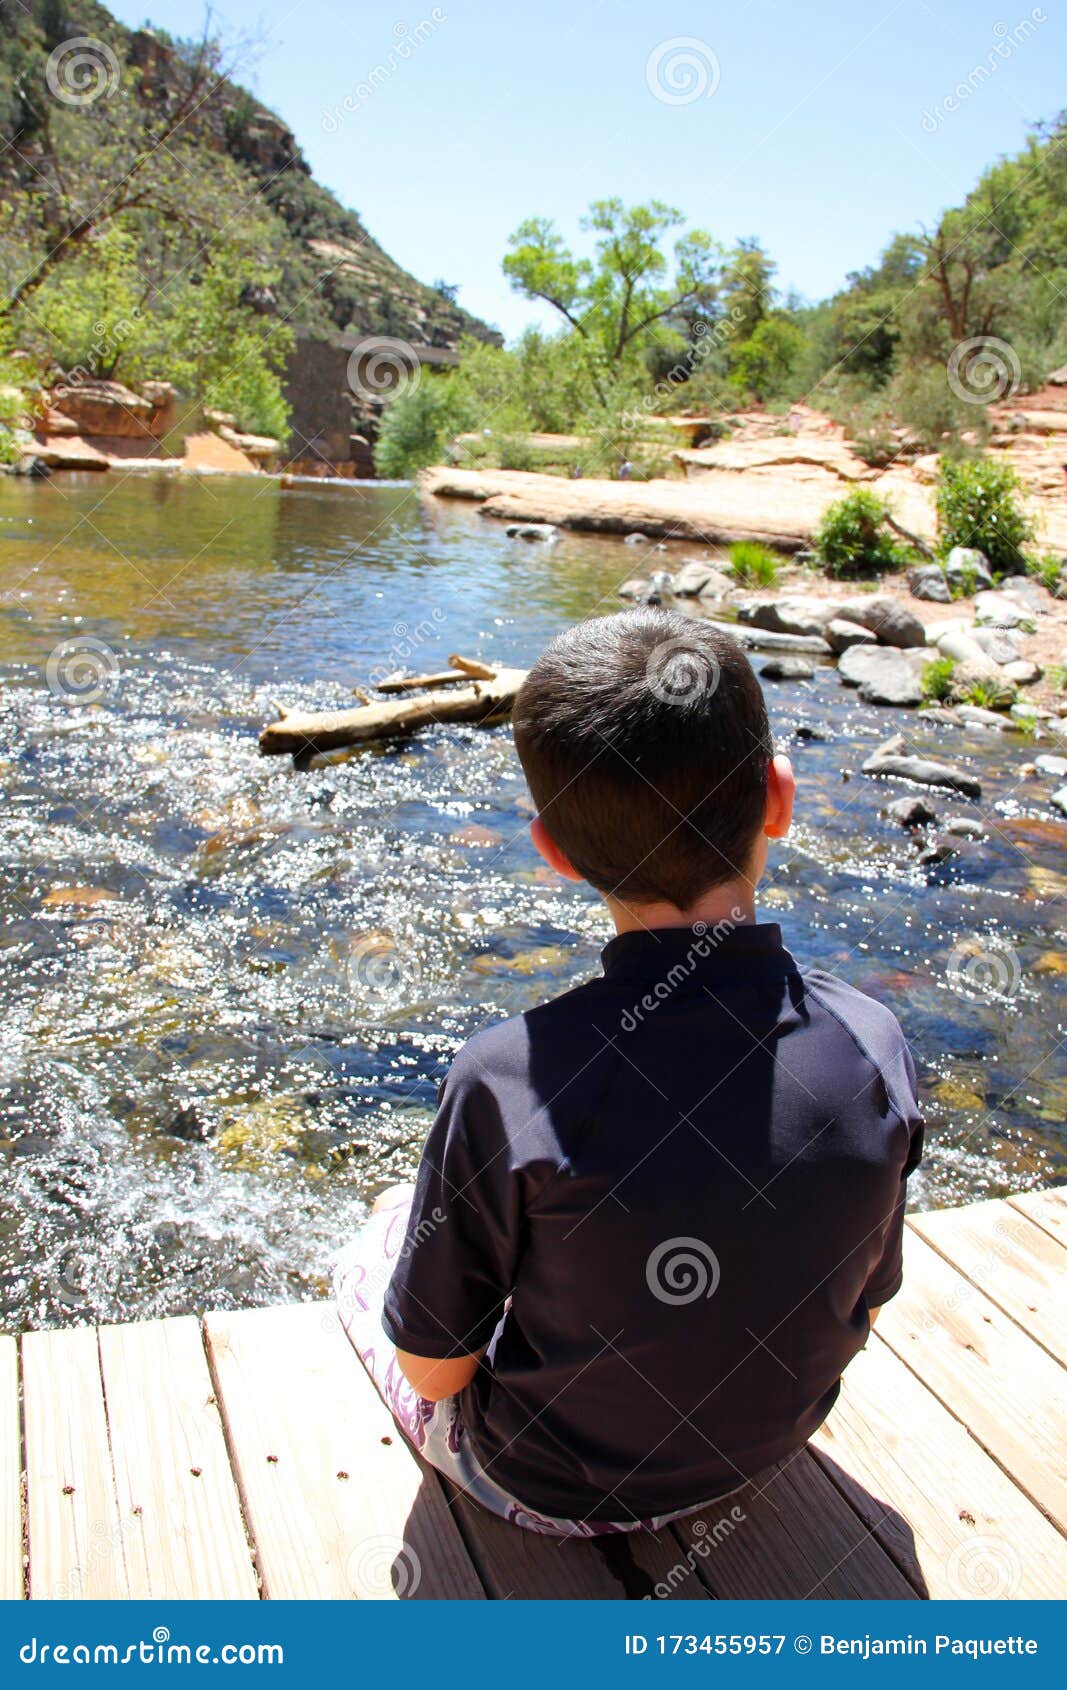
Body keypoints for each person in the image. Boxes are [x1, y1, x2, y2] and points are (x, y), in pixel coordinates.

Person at [333, 608, 923, 1538]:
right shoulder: (872, 1038)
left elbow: (433, 1370)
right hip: (770, 1448)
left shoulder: (505, 1078)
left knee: (373, 1249)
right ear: (777, 798)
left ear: (554, 852)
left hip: (548, 1492)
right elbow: (867, 1298)